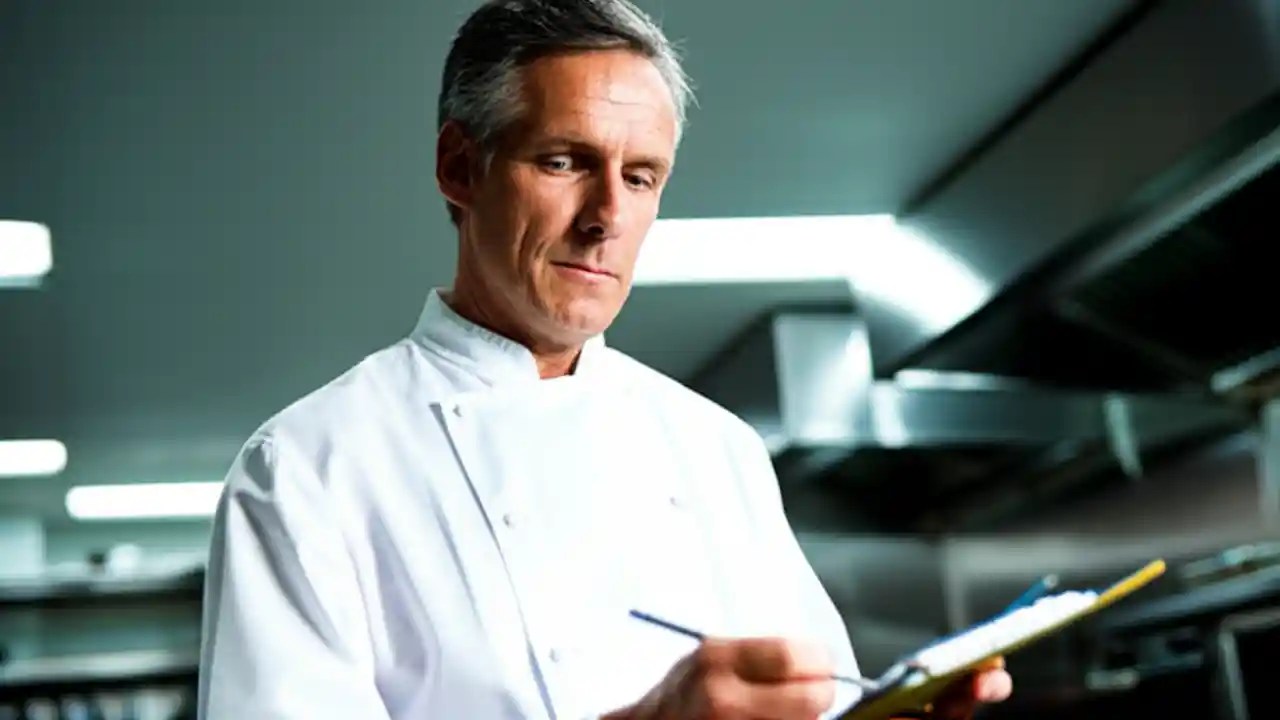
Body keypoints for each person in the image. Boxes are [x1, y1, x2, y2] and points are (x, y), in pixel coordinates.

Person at [196, 1, 1013, 718]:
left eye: (642, 176)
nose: (607, 218)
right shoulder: (308, 469)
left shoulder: (715, 447)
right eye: (564, 162)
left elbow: (817, 697)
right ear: (459, 168)